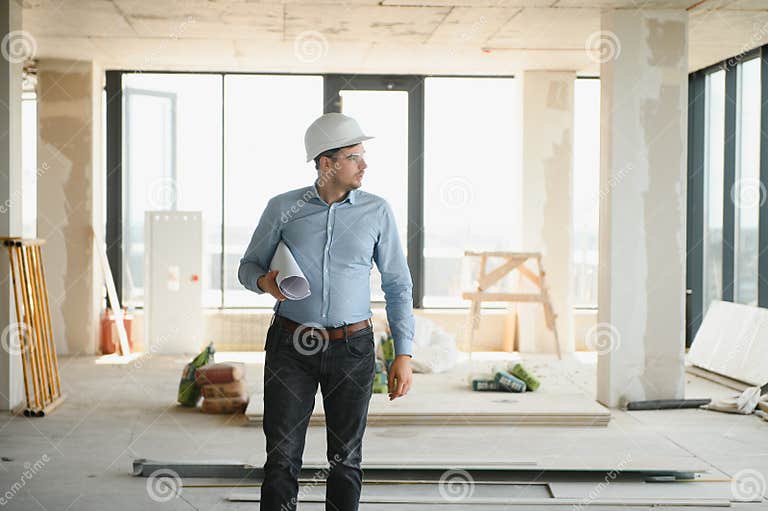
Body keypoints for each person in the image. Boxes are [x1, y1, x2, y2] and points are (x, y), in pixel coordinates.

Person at [238, 112, 415, 511]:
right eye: (354, 156)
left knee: (346, 460)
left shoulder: (377, 211)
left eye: (362, 155)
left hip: (352, 348)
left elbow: (398, 285)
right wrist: (264, 283)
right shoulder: (282, 208)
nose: (364, 165)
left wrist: (402, 353)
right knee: (282, 458)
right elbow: (247, 267)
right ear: (326, 163)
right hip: (290, 345)